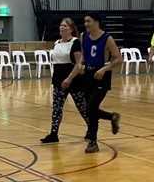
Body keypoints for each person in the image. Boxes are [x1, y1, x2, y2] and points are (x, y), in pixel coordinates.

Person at [40, 18, 88, 144]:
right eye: (61, 25)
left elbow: (79, 64)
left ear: (71, 29)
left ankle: (91, 129)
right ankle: (53, 134)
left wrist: (69, 78)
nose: (62, 27)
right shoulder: (56, 43)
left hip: (74, 80)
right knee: (56, 108)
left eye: (65, 26)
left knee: (82, 107)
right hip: (58, 80)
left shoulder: (75, 42)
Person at [79, 14, 122, 154]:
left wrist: (104, 69)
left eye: (88, 21)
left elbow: (118, 58)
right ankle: (112, 117)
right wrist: (80, 65)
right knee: (89, 109)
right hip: (87, 75)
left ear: (96, 22)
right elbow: (83, 57)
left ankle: (93, 142)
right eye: (85, 21)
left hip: (101, 76)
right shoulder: (83, 36)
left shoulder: (107, 38)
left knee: (91, 107)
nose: (86, 24)